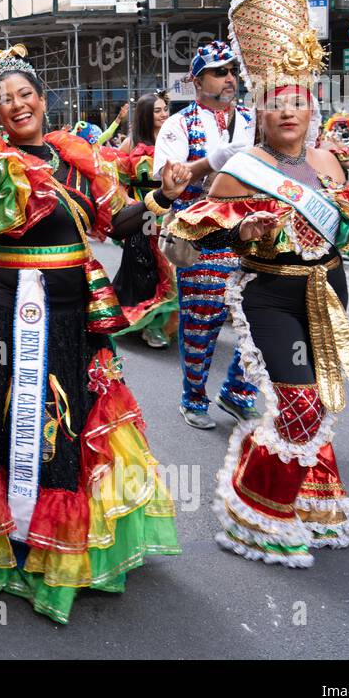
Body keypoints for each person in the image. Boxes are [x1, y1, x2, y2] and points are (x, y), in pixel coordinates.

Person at [0, 48, 183, 625]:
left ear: (43, 98)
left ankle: (58, 541)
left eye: (25, 95)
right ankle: (11, 539)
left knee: (71, 424)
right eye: (4, 100)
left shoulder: (76, 158)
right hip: (13, 316)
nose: (18, 106)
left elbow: (121, 222)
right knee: (14, 420)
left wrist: (164, 194)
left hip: (75, 316)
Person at [167, 0, 349, 566]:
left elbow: (345, 233)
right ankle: (256, 511)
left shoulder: (327, 162)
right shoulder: (244, 169)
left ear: (312, 107)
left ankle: (314, 501)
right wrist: (236, 232)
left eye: (297, 100)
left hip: (327, 288)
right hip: (269, 295)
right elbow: (179, 244)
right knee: (297, 403)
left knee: (319, 403)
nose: (288, 111)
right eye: (275, 102)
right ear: (261, 112)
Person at [154, 41, 258, 430]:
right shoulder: (177, 125)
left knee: (259, 320)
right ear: (198, 81)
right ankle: (193, 398)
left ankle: (238, 392)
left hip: (252, 234)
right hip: (202, 236)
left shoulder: (253, 120)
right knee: (202, 322)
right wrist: (213, 163)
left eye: (232, 70)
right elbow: (171, 183)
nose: (229, 78)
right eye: (219, 71)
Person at [110, 92, 179, 349]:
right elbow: (114, 179)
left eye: (165, 109)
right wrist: (126, 202)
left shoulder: (175, 141)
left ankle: (159, 324)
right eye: (158, 110)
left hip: (171, 217)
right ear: (145, 115)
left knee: (170, 271)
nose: (163, 114)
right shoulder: (130, 144)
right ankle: (149, 324)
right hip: (143, 217)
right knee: (144, 273)